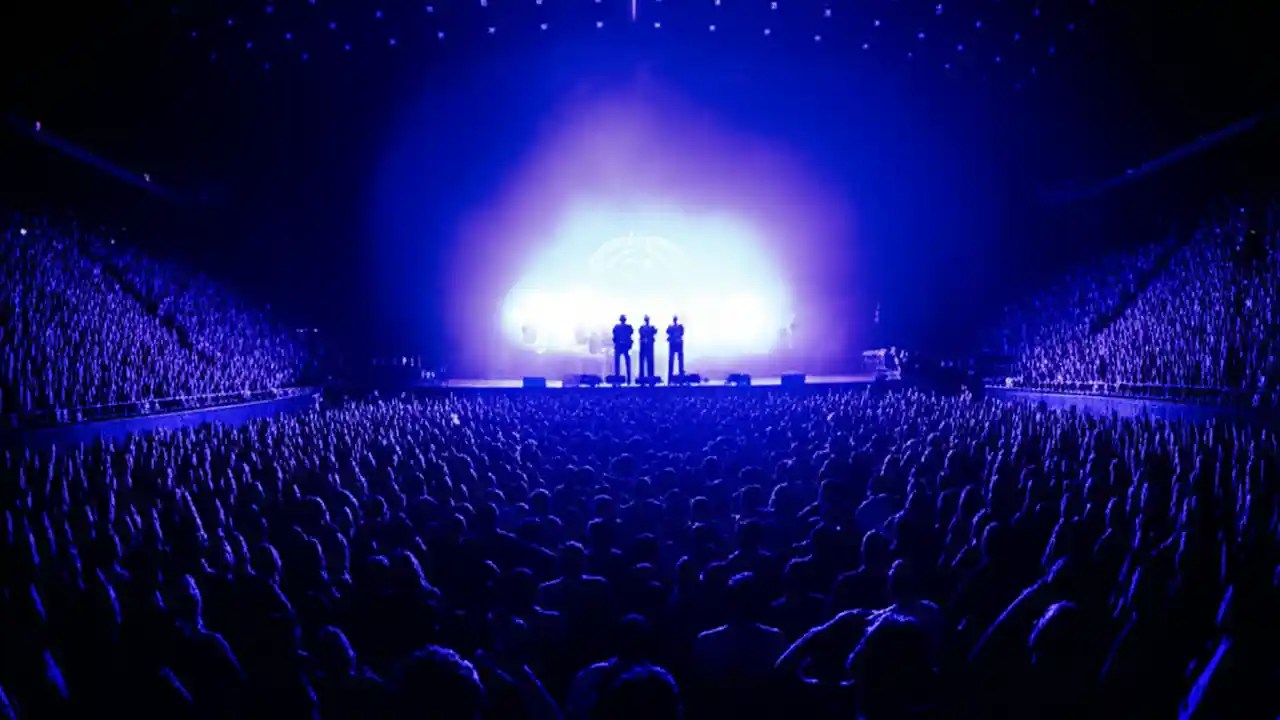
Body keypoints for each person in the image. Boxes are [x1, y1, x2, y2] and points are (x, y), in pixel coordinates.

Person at [612, 315, 635, 384]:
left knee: (618, 363)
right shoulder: (628, 327)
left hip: (620, 346)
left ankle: (619, 378)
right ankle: (627, 379)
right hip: (624, 346)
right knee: (625, 362)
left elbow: (614, 337)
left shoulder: (617, 327)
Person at [638, 316, 658, 382]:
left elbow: (655, 332)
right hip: (644, 346)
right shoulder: (643, 328)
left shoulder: (649, 328)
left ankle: (650, 375)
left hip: (648, 346)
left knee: (649, 361)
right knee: (643, 361)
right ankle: (642, 376)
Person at [667, 315, 685, 382]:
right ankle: (671, 375)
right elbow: (668, 332)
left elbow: (682, 333)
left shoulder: (679, 327)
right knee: (672, 360)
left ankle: (680, 374)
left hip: (677, 343)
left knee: (679, 359)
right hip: (674, 343)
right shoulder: (671, 327)